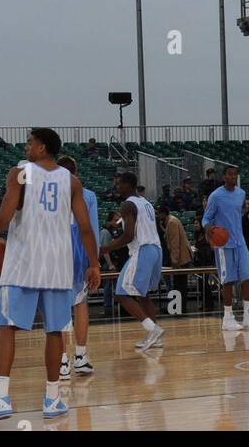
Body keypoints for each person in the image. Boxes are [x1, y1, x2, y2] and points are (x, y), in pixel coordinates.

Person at [0, 128, 101, 423]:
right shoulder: (72, 181)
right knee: (54, 331)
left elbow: (4, 215)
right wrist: (94, 264)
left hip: (23, 262)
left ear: (41, 148)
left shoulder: (20, 172)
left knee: (7, 327)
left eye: (30, 142)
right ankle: (52, 399)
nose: (26, 146)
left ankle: (1, 398)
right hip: (58, 265)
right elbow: (85, 228)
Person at [100, 171, 165, 351]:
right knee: (143, 295)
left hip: (142, 249)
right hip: (156, 250)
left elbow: (129, 235)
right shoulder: (146, 203)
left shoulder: (127, 204)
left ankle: (152, 329)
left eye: (119, 184)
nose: (117, 187)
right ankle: (155, 338)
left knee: (121, 293)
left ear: (128, 184)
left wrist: (108, 247)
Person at [55, 155, 101, 379]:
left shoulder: (49, 193)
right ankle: (80, 357)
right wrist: (95, 262)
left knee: (59, 307)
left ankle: (62, 361)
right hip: (79, 253)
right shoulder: (88, 195)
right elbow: (90, 230)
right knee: (80, 303)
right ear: (76, 173)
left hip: (56, 252)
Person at [201, 165, 249, 331]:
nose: (233, 177)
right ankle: (228, 317)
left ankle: (248, 316)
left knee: (247, 278)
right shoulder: (216, 196)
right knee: (228, 280)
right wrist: (209, 228)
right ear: (224, 177)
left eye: (235, 175)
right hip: (224, 244)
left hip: (240, 242)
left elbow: (237, 216)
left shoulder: (241, 194)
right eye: (230, 175)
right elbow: (206, 218)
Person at [158, 205, 193, 302]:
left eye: (159, 214)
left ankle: (180, 308)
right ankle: (180, 307)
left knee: (180, 286)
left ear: (163, 213)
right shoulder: (172, 221)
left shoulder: (172, 222)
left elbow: (175, 243)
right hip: (181, 257)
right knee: (180, 285)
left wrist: (174, 260)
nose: (158, 216)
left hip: (181, 259)